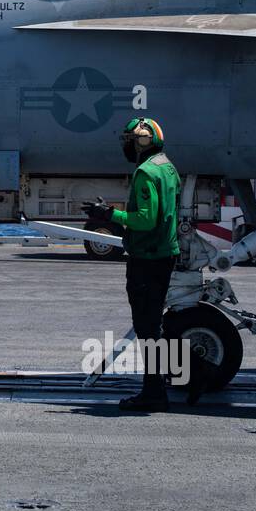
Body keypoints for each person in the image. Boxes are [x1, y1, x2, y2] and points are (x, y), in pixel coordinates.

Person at [83, 117, 182, 412]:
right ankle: (157, 387)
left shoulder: (145, 172)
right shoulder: (168, 166)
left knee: (147, 326)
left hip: (148, 258)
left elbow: (146, 220)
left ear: (142, 141)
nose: (127, 146)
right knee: (155, 325)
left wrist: (110, 215)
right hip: (164, 253)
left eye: (130, 140)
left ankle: (154, 393)